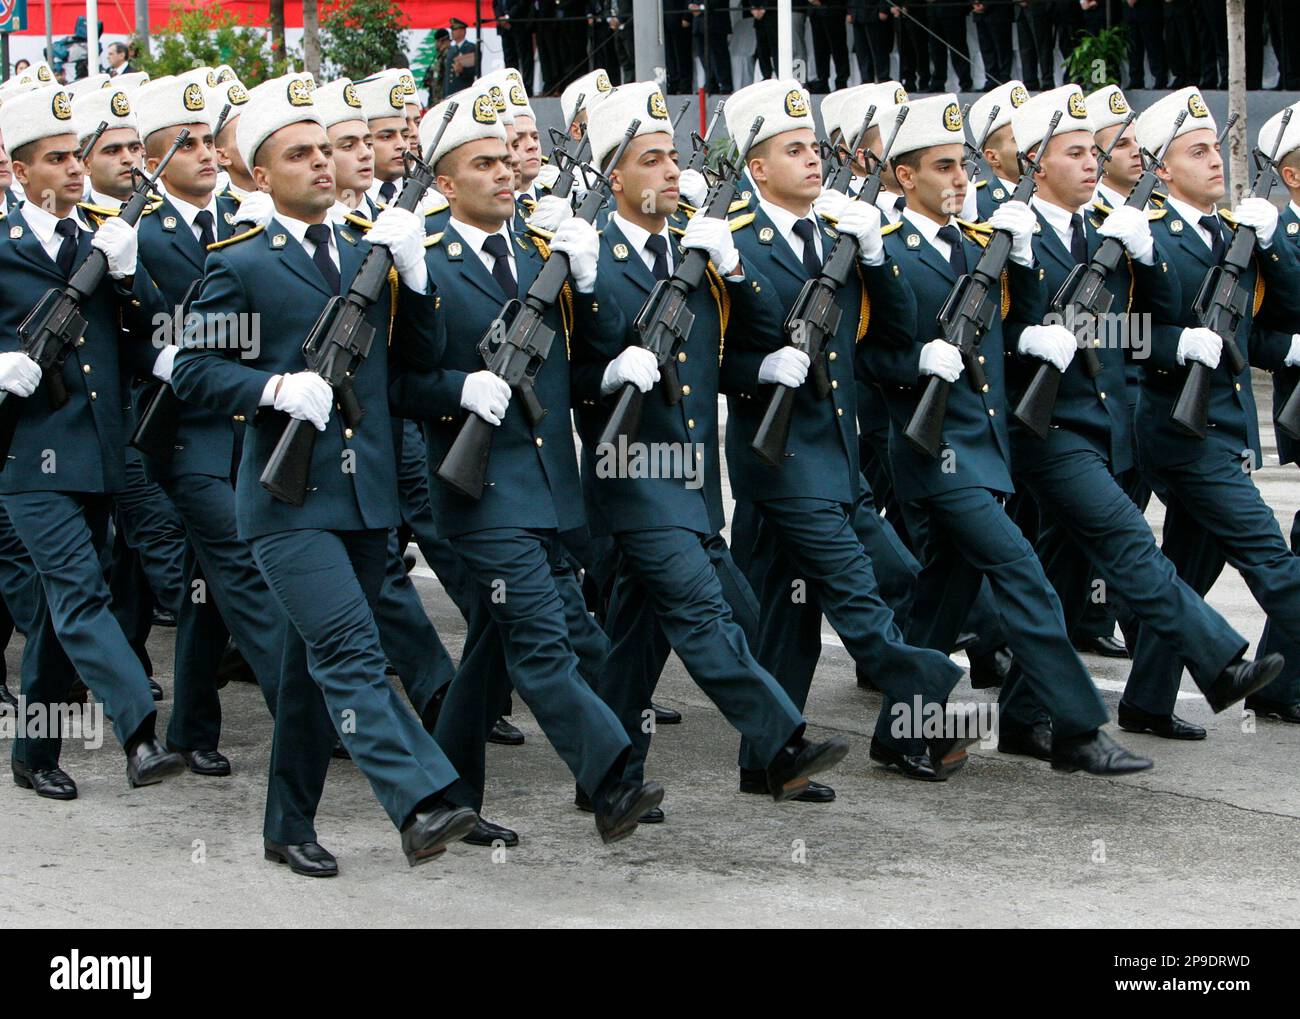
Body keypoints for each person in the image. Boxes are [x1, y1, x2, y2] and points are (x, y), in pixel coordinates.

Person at [172, 75, 478, 874]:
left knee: (311, 673)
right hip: (285, 500)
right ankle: (421, 799)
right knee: (349, 649)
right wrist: (268, 388)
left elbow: (414, 368)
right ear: (260, 174)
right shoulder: (238, 263)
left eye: (322, 150)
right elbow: (193, 371)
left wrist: (417, 281)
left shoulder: (365, 252)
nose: (318, 163)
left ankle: (286, 825)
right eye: (297, 154)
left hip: (365, 495)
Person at [390, 87, 672, 844]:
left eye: (506, 158)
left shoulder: (538, 256)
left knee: (490, 653)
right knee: (546, 645)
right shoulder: (429, 265)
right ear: (444, 184)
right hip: (480, 497)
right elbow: (399, 381)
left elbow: (581, 369)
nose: (505, 172)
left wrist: (589, 298)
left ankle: (445, 799)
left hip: (548, 494)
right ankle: (613, 779)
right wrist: (457, 387)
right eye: (482, 163)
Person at [859, 91, 1153, 775]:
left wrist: (1020, 262)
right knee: (1028, 579)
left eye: (963, 165)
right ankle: (1079, 729)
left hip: (985, 451)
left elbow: (1015, 338)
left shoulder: (980, 244)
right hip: (935, 456)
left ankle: (899, 733)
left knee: (937, 603)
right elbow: (863, 354)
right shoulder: (888, 250)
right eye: (941, 168)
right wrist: (912, 363)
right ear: (904, 177)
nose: (960, 179)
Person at [0, 84, 186, 800]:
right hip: (26, 460)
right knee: (82, 593)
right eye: (56, 160)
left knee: (57, 607)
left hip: (100, 456)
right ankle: (139, 734)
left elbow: (147, 340)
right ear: (21, 173)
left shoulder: (100, 241)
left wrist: (130, 275)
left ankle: (33, 752)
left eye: (75, 156)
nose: (75, 171)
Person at [1120, 87, 1300, 736]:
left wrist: (1272, 242)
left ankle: (1145, 699)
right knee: (1272, 560)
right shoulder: (1147, 236)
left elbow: (1277, 322)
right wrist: (1173, 343)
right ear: (1161, 169)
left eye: (1217, 149)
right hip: (1179, 429)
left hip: (1225, 432)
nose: (1216, 161)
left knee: (1191, 573)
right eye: (1197, 152)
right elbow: (1105, 332)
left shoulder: (1237, 232)